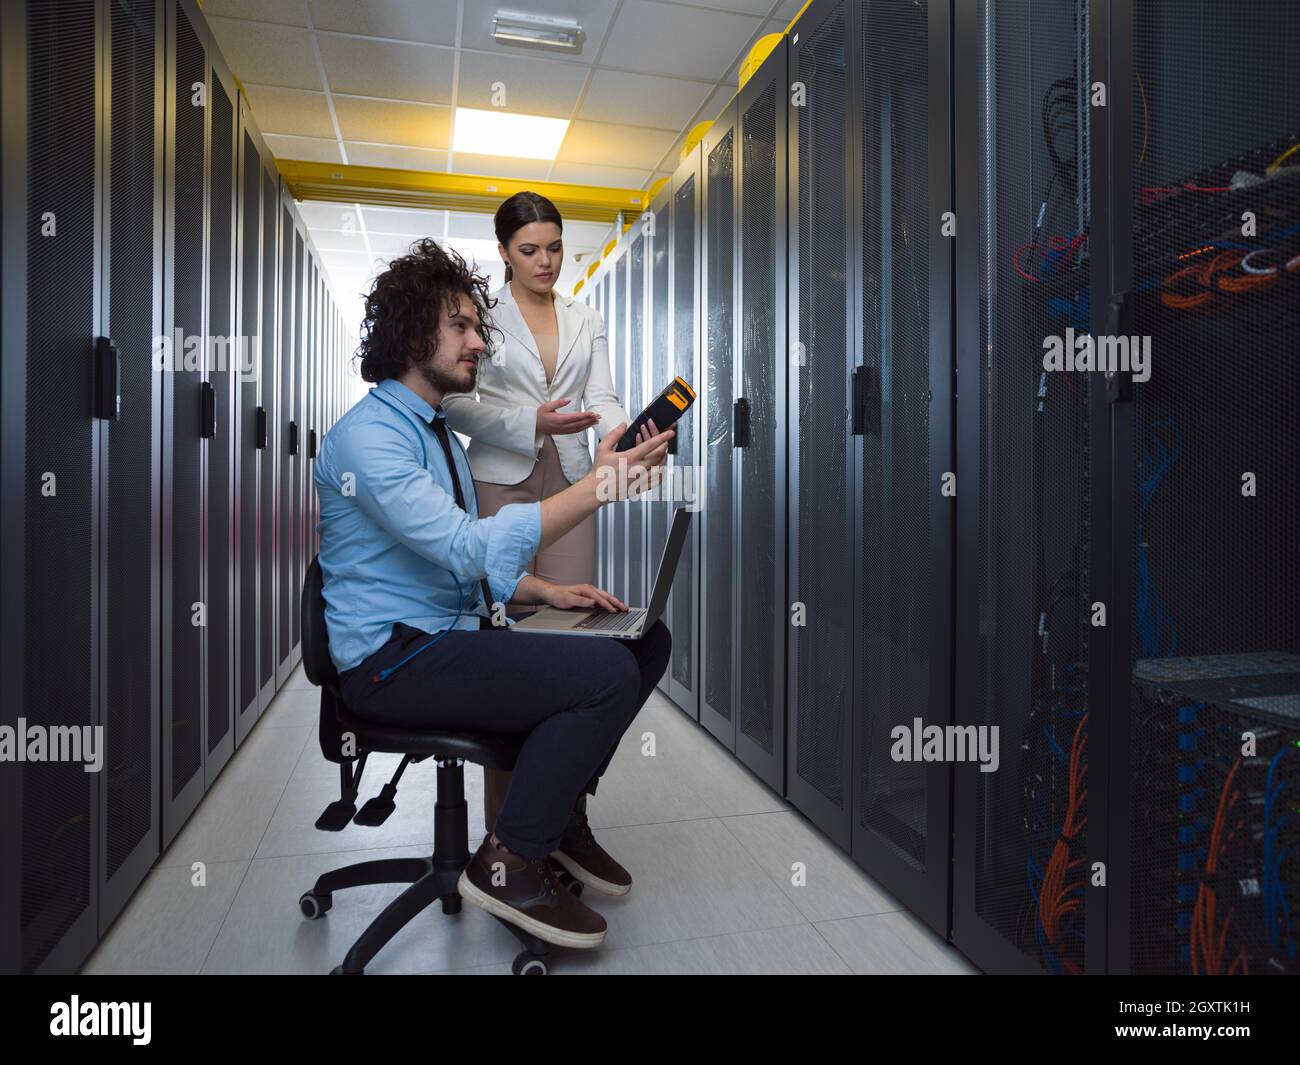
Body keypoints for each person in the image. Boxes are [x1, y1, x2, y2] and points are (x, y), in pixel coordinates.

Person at [313, 238, 673, 949]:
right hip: (391, 661)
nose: (480, 340)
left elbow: (460, 560)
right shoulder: (369, 441)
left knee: (639, 639)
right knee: (600, 676)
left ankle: (559, 817)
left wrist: (545, 588)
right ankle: (509, 858)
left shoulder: (436, 430)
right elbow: (465, 548)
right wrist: (598, 488)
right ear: (412, 331)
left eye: (478, 326)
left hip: (447, 632)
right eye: (462, 326)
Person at [442, 191, 630, 838]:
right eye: (529, 250)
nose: (546, 261)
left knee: (575, 635)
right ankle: (507, 837)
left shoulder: (586, 315)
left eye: (554, 246)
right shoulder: (482, 320)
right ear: (503, 252)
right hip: (504, 479)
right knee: (512, 647)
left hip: (574, 475)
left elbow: (602, 395)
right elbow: (455, 405)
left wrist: (625, 436)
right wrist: (531, 420)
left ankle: (566, 823)